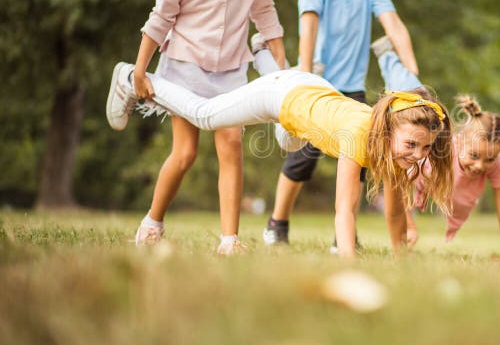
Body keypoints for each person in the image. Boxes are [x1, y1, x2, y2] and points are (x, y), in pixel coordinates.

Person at [107, 0, 304, 255]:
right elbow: (160, 18)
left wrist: (280, 77)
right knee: (185, 154)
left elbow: (268, 21)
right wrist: (139, 70)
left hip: (231, 71)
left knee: (231, 148)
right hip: (185, 68)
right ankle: (153, 221)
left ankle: (229, 240)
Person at [106, 58, 453, 258]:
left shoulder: (394, 148)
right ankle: (132, 77)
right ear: (390, 128)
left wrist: (400, 257)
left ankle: (264, 57)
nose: (419, 155)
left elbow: (393, 209)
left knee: (289, 142)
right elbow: (344, 210)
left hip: (311, 93)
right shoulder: (358, 135)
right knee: (206, 115)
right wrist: (349, 265)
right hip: (282, 94)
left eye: (425, 148)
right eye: (412, 145)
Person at [257, 0, 419, 247]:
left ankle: (342, 237)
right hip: (318, 85)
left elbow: (394, 26)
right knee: (303, 160)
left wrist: (412, 78)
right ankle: (277, 223)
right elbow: (309, 25)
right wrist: (304, 76)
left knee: (359, 163)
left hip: (354, 91)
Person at [372, 38, 500, 261]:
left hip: (423, 113)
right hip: (417, 104)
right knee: (406, 87)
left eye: (489, 159)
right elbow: (399, 185)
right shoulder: (434, 152)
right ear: (460, 142)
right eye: (474, 155)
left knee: (408, 88)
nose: (480, 165)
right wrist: (410, 226)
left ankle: (395, 62)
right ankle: (387, 55)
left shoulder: (496, 160)